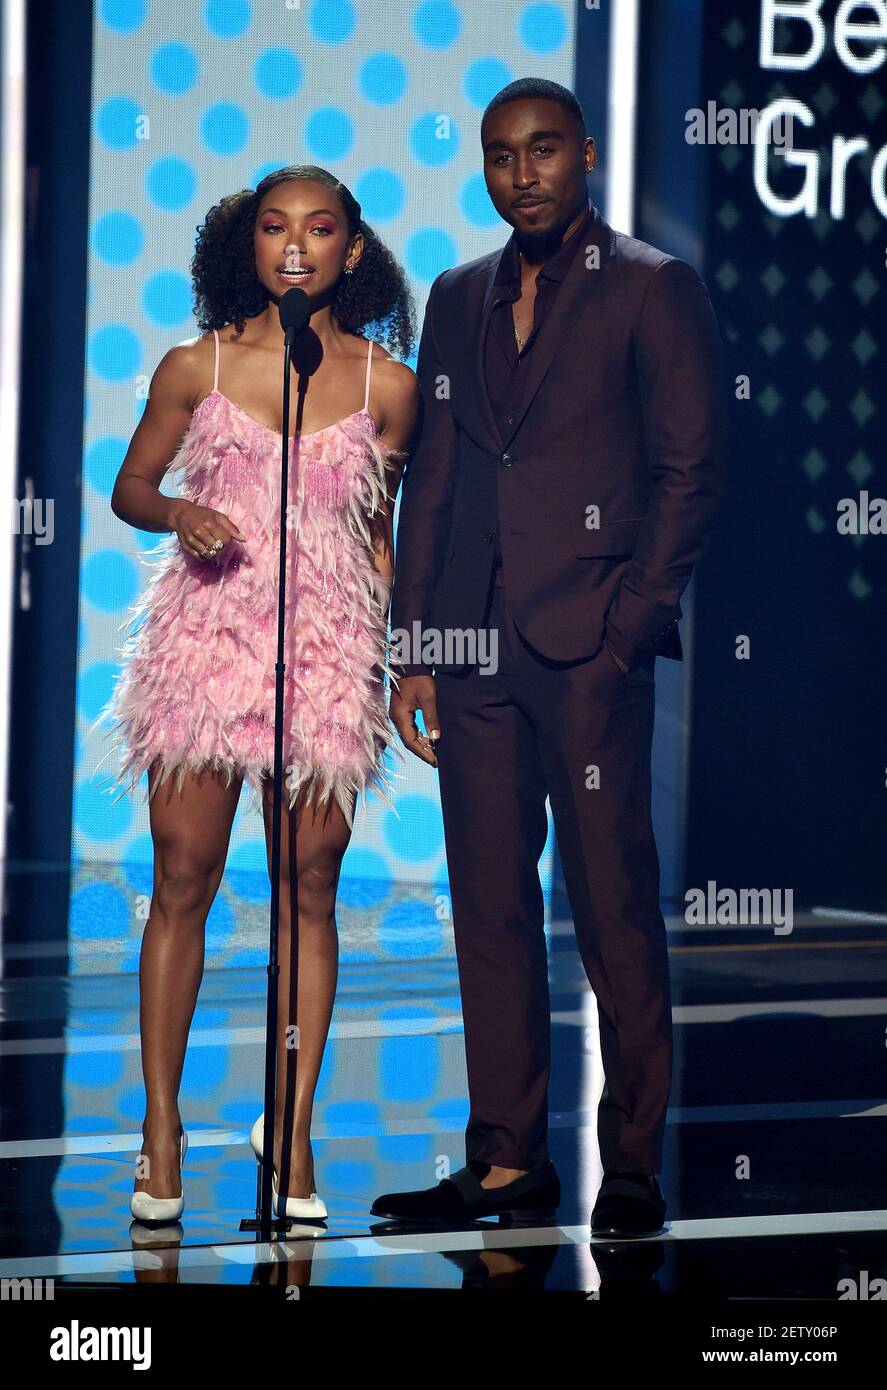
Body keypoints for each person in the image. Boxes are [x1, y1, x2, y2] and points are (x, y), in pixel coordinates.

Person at [374, 78, 728, 1237]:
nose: (517, 173)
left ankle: (628, 1157)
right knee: (486, 904)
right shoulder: (457, 292)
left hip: (590, 650)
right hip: (470, 646)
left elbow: (688, 473)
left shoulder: (649, 288)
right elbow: (431, 481)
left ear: (582, 153)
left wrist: (628, 625)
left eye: (539, 151)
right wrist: (416, 644)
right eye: (495, 156)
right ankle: (505, 1157)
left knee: (610, 899)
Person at [93, 165, 418, 1223]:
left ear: (349, 250)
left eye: (318, 229)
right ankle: (160, 1124)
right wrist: (179, 512)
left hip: (323, 655)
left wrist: (399, 653)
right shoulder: (199, 363)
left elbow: (380, 540)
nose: (294, 246)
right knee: (183, 874)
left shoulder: (387, 387)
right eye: (274, 227)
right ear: (248, 245)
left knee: (309, 888)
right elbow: (129, 486)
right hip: (207, 640)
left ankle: (290, 1124)